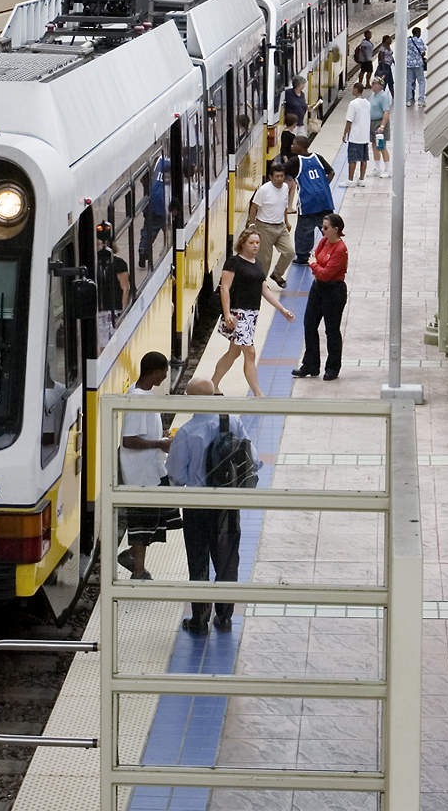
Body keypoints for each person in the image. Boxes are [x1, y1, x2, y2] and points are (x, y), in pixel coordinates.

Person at [167, 378, 251, 633]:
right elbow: (253, 460)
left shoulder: (187, 432)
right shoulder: (231, 422)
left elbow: (176, 474)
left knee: (199, 559)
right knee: (227, 559)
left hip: (197, 505)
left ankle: (199, 620)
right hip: (227, 504)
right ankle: (224, 617)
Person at [212, 229, 295, 396]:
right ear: (243, 243)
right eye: (252, 242)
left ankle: (213, 384)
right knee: (250, 352)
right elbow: (225, 289)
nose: (256, 246)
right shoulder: (233, 263)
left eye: (257, 242)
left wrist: (282, 309)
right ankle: (258, 394)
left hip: (252, 314)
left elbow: (264, 289)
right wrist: (227, 313)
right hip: (238, 314)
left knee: (233, 352)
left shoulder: (257, 264)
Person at [117, 351, 173, 580]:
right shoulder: (137, 399)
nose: (165, 376)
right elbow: (128, 439)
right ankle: (138, 571)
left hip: (151, 469)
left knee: (153, 519)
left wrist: (162, 437)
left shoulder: (144, 395)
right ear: (155, 371)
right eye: (164, 372)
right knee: (141, 522)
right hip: (139, 474)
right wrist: (160, 442)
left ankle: (133, 558)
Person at [293, 212, 348, 381]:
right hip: (318, 288)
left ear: (336, 230)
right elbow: (315, 258)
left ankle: (332, 367)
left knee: (331, 330)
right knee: (309, 324)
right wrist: (316, 265)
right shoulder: (324, 241)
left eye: (325, 228)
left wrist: (314, 265)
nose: (322, 231)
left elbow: (326, 273)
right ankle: (310, 364)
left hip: (333, 291)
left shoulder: (341, 249)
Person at [247, 158, 296, 284]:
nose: (280, 179)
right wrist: (252, 224)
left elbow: (284, 205)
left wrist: (286, 221)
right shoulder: (263, 190)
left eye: (282, 176)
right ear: (270, 177)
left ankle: (277, 274)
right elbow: (254, 207)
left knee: (289, 252)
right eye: (277, 176)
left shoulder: (285, 187)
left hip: (280, 226)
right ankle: (260, 283)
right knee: (265, 259)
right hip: (264, 227)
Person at [291, 136, 335, 264]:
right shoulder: (318, 157)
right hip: (324, 201)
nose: (292, 146)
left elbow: (282, 172)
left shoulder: (295, 161)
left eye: (294, 144)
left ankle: (303, 257)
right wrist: (324, 186)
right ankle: (333, 253)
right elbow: (331, 172)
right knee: (328, 229)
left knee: (303, 232)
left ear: (301, 146)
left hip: (308, 204)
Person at [342, 82, 372, 186]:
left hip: (355, 136)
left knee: (352, 159)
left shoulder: (353, 104)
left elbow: (349, 120)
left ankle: (350, 180)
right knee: (364, 159)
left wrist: (345, 133)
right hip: (365, 136)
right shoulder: (367, 103)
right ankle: (361, 179)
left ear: (355, 89)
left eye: (353, 89)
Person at [368, 76, 392, 179]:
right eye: (372, 84)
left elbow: (386, 112)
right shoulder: (373, 95)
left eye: (374, 84)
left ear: (379, 86)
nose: (372, 86)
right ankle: (377, 168)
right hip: (372, 123)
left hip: (380, 124)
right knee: (374, 146)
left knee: (381, 146)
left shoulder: (383, 96)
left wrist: (382, 126)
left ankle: (387, 169)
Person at [406, 26, 428, 108]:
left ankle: (408, 100)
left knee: (409, 82)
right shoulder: (419, 41)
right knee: (421, 81)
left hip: (408, 64)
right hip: (418, 64)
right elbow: (423, 52)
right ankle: (421, 100)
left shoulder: (407, 41)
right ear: (417, 33)